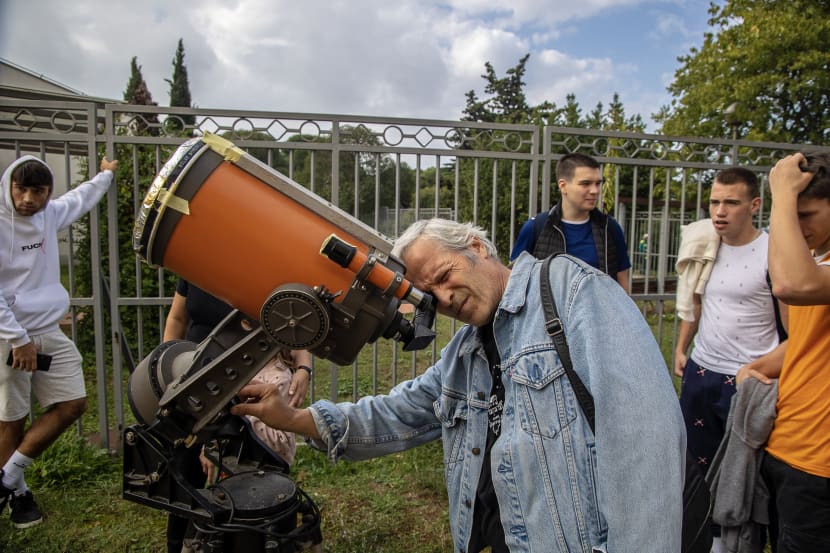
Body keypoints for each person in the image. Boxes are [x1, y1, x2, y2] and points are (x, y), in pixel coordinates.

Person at [231, 218, 685, 552]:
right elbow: (400, 412)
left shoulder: (572, 292)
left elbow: (646, 442)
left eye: (445, 276)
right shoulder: (465, 351)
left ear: (476, 246)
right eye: (431, 294)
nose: (444, 298)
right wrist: (292, 418)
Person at [0, 155, 118, 528]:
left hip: (48, 330)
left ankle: (5, 480)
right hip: (8, 335)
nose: (29, 199)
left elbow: (81, 198)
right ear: (9, 186)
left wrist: (105, 175)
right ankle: (18, 498)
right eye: (22, 189)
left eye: (39, 191)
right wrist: (18, 340)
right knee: (11, 422)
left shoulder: (49, 214)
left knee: (73, 404)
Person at [673, 167, 786, 552]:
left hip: (750, 381)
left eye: (731, 203)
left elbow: (790, 328)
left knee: (745, 473)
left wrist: (764, 369)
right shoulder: (706, 242)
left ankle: (739, 541)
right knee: (695, 466)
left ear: (754, 205)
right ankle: (702, 537)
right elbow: (696, 297)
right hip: (702, 371)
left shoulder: (774, 251)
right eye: (714, 202)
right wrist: (681, 347)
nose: (720, 211)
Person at [163, 279, 311, 553]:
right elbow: (177, 317)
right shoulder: (190, 257)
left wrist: (303, 366)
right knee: (186, 478)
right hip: (195, 382)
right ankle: (180, 544)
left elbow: (293, 316)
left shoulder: (264, 257)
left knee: (259, 480)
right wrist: (168, 370)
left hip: (255, 377)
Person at [738, 151, 830, 553]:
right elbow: (807, 340)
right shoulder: (820, 260)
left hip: (819, 462)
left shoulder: (810, 272)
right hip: (785, 445)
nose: (795, 226)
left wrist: (781, 195)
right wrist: (758, 366)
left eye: (804, 214)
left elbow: (790, 284)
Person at [509, 153, 632, 290]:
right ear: (563, 186)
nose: (595, 191)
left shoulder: (610, 228)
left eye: (598, 183)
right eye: (585, 183)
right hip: (549, 311)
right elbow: (515, 280)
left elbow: (622, 282)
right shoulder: (536, 227)